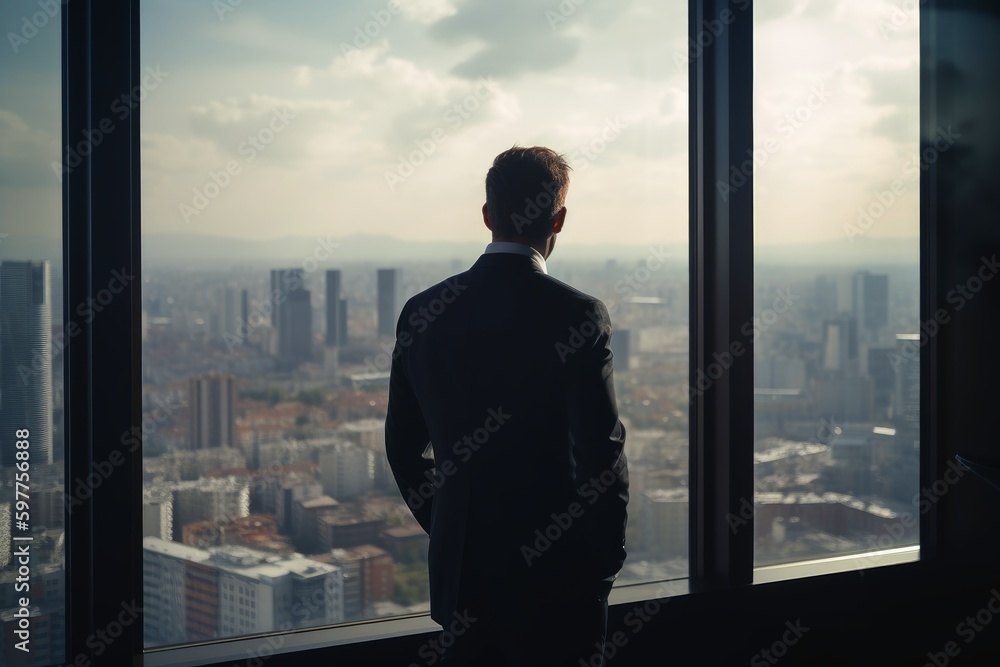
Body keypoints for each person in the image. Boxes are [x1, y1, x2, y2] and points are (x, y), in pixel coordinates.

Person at [385, 145, 629, 666]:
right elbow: (602, 456)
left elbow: (403, 452)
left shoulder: (422, 311)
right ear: (558, 219)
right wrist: (601, 568)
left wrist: (455, 526)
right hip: (559, 585)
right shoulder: (578, 316)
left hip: (464, 583)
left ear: (487, 215)